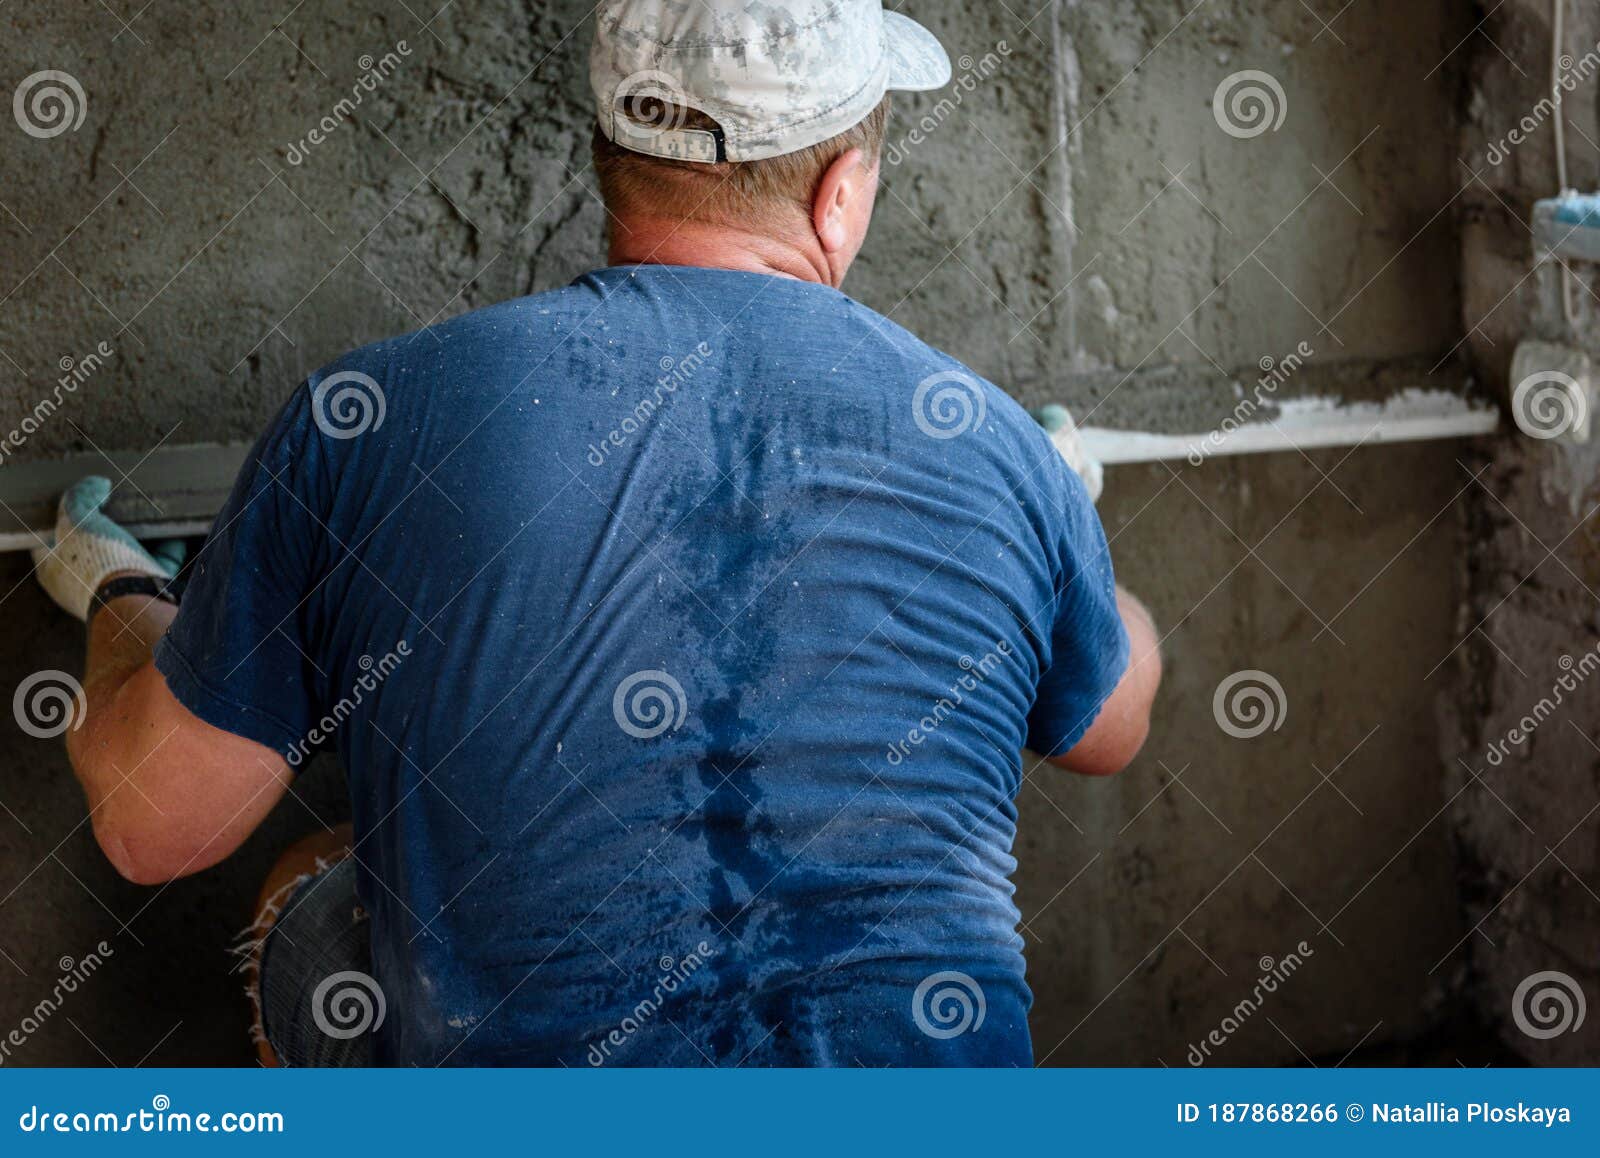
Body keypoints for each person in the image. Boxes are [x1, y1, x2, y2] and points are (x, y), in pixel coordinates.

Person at [32, 0, 1161, 1067]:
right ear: (841, 195)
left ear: (613, 165)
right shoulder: (996, 446)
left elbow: (155, 829)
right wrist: (1066, 527)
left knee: (318, 899)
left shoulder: (368, 416)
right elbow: (1105, 729)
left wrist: (124, 601)